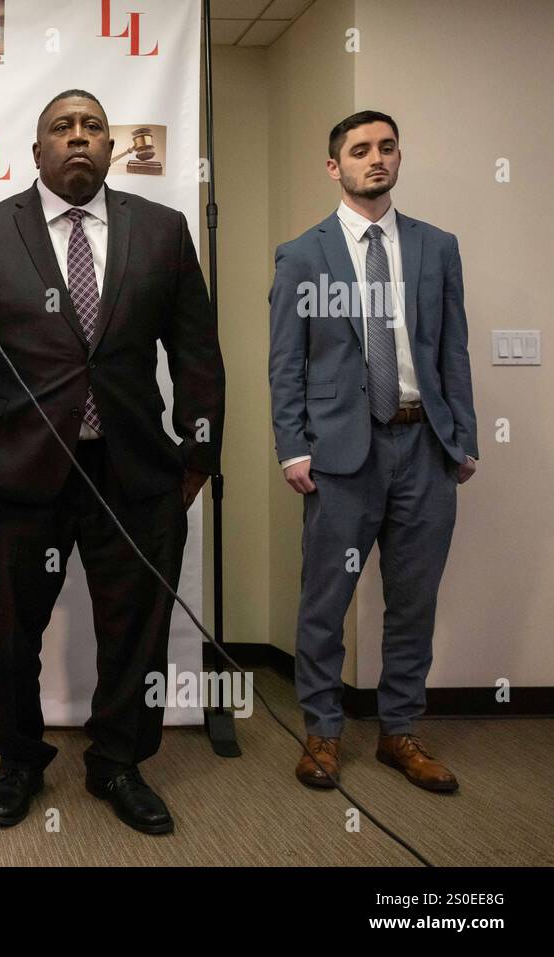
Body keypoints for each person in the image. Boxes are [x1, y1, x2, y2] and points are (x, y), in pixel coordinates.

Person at [0, 89, 224, 834]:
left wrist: (200, 449)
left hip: (136, 474)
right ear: (37, 151)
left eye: (93, 127)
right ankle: (18, 758)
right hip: (13, 474)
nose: (78, 137)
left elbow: (196, 353)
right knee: (7, 635)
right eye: (62, 127)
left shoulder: (165, 231)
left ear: (113, 149)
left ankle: (119, 760)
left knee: (137, 634)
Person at [269, 110, 477, 793]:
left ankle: (400, 732)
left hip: (426, 447)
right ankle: (323, 733)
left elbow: (453, 349)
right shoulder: (303, 254)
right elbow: (286, 361)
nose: (376, 158)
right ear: (335, 166)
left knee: (413, 601)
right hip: (339, 454)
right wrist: (292, 446)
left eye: (387, 146)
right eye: (360, 150)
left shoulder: (436, 246)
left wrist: (464, 438)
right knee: (325, 601)